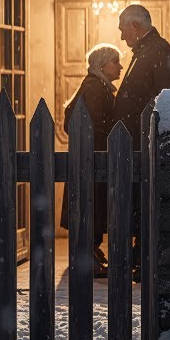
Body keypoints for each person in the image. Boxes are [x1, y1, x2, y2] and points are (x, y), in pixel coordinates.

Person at [60, 43, 123, 277]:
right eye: (115, 61)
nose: (120, 66)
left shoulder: (96, 85)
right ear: (102, 65)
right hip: (91, 161)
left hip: (89, 159)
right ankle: (87, 256)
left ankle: (90, 252)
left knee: (89, 207)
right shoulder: (96, 88)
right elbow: (96, 126)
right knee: (90, 207)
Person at [113, 4, 170, 147]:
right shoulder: (146, 52)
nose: (121, 37)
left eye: (123, 30)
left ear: (134, 26)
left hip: (147, 146)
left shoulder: (161, 53)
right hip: (137, 144)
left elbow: (168, 105)